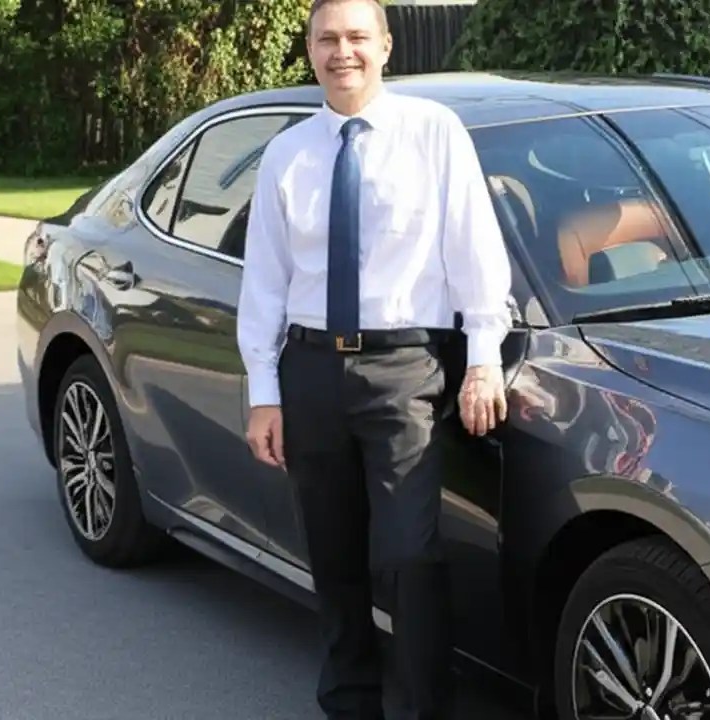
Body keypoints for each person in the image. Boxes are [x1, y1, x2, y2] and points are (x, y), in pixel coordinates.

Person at [235, 0, 512, 717]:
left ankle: (425, 707)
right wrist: (264, 391)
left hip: (404, 372)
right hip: (311, 370)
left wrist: (483, 357)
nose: (342, 52)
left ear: (386, 47)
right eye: (327, 39)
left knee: (409, 556)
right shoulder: (287, 155)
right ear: (310, 50)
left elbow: (474, 249)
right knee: (332, 556)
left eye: (358, 37)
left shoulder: (433, 133)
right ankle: (349, 699)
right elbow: (265, 282)